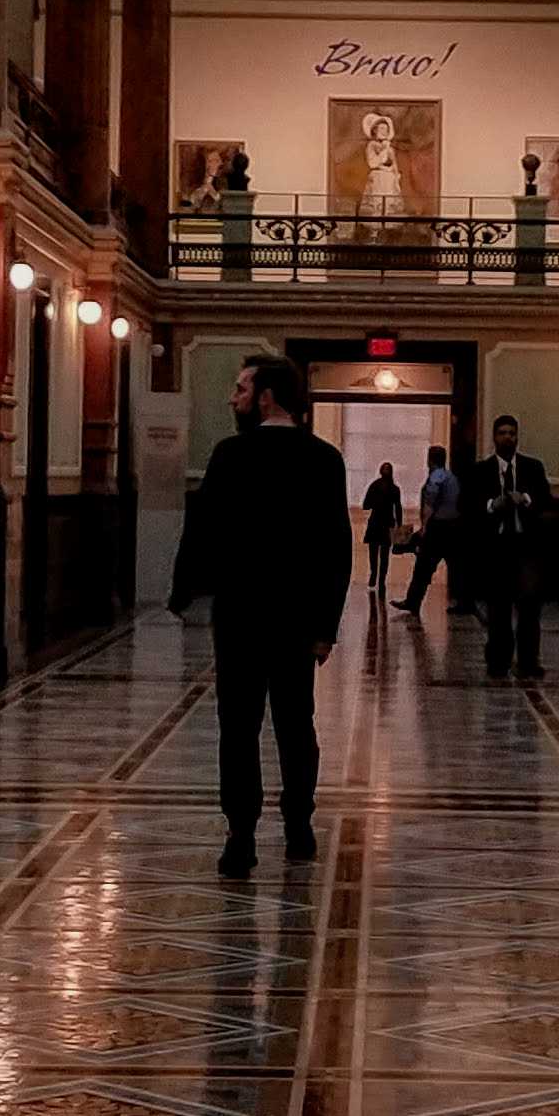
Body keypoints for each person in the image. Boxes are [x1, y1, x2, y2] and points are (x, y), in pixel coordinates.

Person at [169, 352, 351, 877]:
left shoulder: (230, 455)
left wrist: (184, 591)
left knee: (238, 726)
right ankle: (299, 825)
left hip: (241, 616)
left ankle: (241, 835)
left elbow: (202, 528)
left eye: (241, 389)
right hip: (297, 619)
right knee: (296, 725)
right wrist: (325, 626)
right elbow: (335, 548)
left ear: (266, 397)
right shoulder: (324, 459)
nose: (233, 399)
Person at [458, 412, 553, 682]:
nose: (507, 438)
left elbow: (546, 499)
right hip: (496, 547)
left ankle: (528, 661)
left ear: (517, 437)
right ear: (494, 437)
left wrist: (525, 499)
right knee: (498, 608)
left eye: (512, 433)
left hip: (526, 546)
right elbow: (466, 505)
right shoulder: (480, 471)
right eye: (502, 433)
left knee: (529, 607)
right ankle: (498, 661)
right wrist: (492, 505)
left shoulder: (533, 468)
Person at [398, 444, 459, 616]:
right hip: (453, 527)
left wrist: (424, 527)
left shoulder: (436, 477)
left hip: (438, 528)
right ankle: (461, 602)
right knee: (456, 567)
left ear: (429, 459)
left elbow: (430, 503)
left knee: (423, 567)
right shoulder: (452, 477)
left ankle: (413, 601)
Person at [361, 457, 402, 605]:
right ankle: (381, 580)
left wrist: (375, 502)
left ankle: (374, 575)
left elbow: (365, 505)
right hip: (387, 523)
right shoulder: (395, 489)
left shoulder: (374, 486)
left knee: (374, 552)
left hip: (375, 522)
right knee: (384, 555)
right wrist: (399, 525)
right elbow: (398, 508)